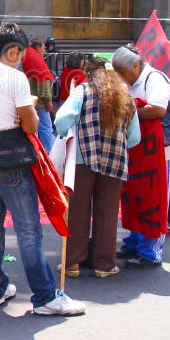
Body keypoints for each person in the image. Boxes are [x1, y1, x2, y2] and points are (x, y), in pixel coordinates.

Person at [0, 22, 85, 316]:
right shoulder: (14, 78)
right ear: (13, 50)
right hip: (13, 160)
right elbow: (31, 125)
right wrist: (26, 107)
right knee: (28, 228)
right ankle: (44, 296)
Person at [54, 57, 139, 278]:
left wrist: (69, 133)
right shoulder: (125, 96)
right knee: (108, 212)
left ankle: (72, 263)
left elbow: (62, 120)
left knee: (78, 212)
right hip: (115, 160)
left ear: (88, 74)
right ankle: (104, 264)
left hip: (83, 158)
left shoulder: (81, 91)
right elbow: (134, 137)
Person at [111, 46, 170, 265]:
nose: (121, 77)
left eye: (122, 72)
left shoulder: (155, 78)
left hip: (159, 152)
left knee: (154, 198)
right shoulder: (130, 81)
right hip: (136, 151)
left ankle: (151, 251)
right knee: (134, 196)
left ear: (136, 66)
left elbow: (158, 109)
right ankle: (136, 242)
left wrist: (126, 111)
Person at [23, 39, 56, 152]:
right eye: (43, 48)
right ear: (37, 48)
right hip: (40, 103)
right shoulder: (37, 61)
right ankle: (50, 153)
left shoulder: (29, 59)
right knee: (46, 129)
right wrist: (48, 100)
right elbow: (43, 82)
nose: (44, 50)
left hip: (31, 101)